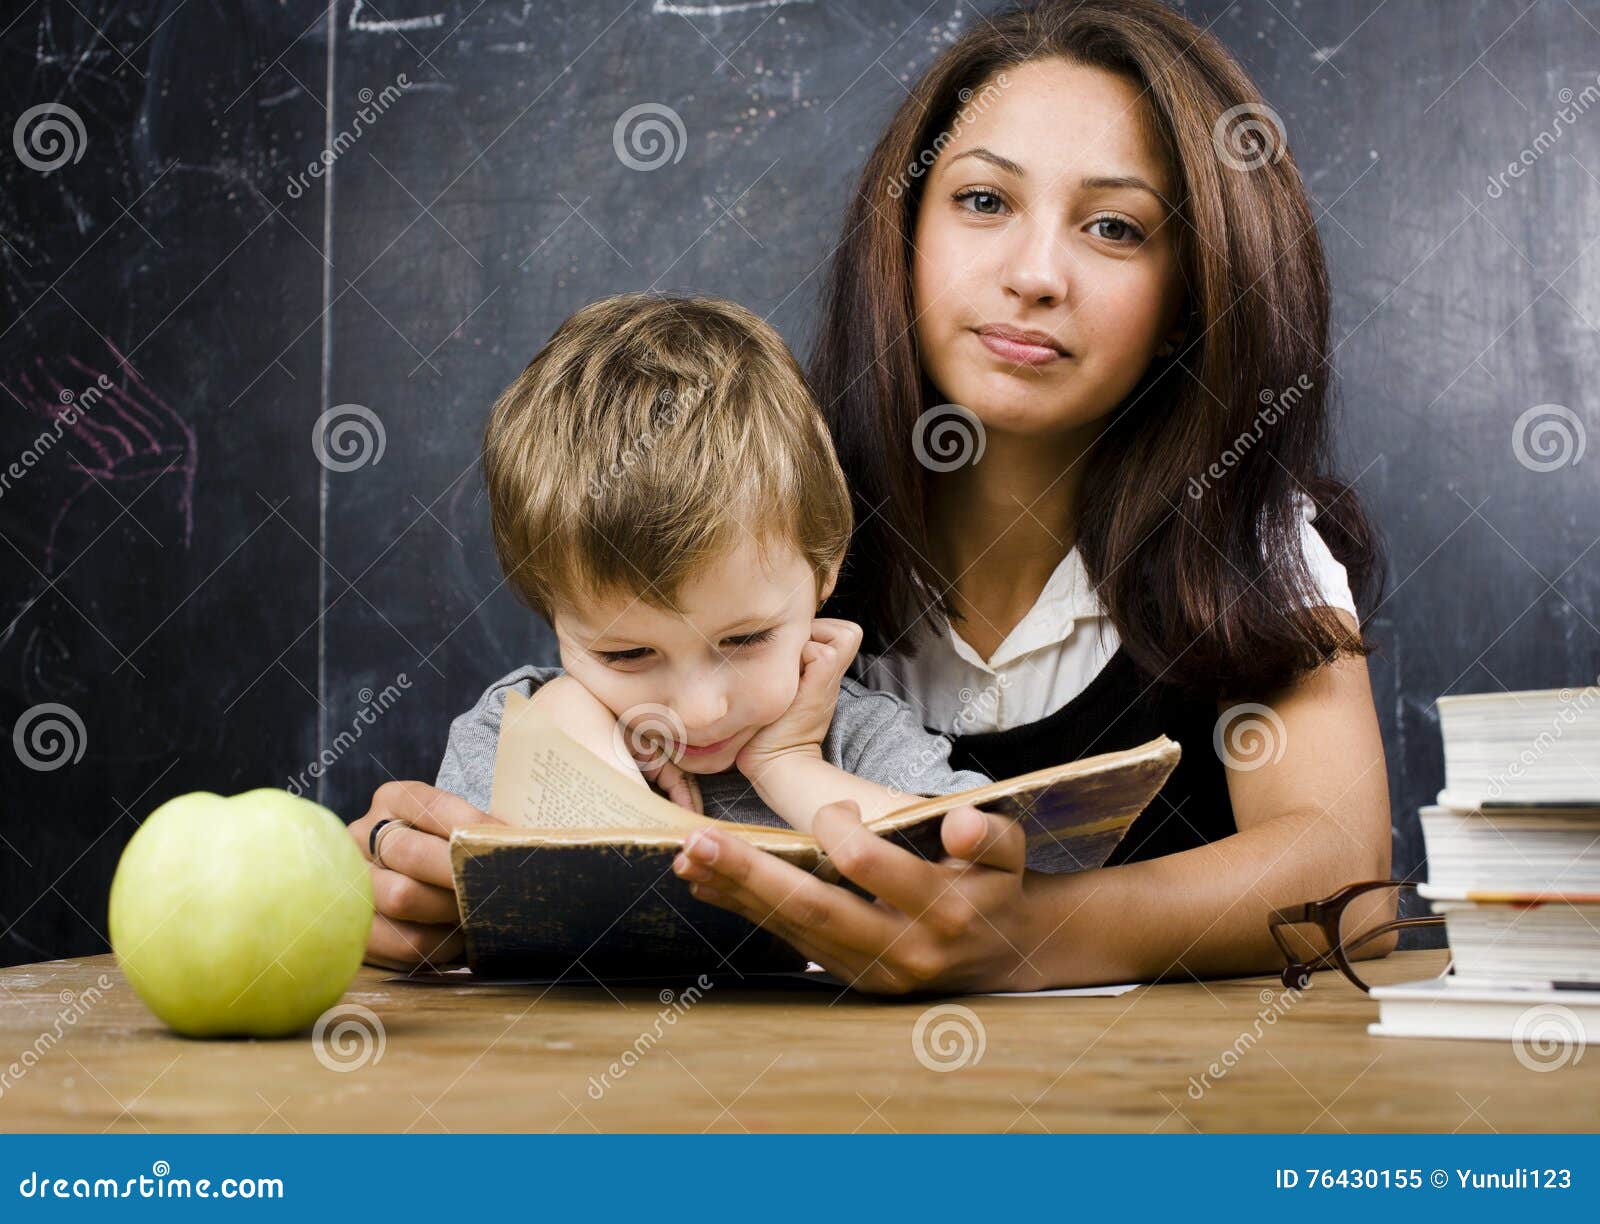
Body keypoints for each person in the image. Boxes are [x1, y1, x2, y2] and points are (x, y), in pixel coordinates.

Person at [666, 0, 1393, 993]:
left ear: (1188, 300)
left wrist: (1023, 935)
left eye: (1113, 227)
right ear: (903, 231)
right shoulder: (766, 513)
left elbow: (1347, 879)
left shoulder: (1248, 529)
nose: (1034, 275)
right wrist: (479, 898)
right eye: (981, 202)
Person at [348, 293, 991, 971]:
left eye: (745, 641)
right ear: (551, 612)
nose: (697, 710)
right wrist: (569, 721)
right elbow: (441, 915)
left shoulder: (853, 740)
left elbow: (973, 891)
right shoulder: (512, 731)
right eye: (627, 654)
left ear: (825, 568)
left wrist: (789, 767)